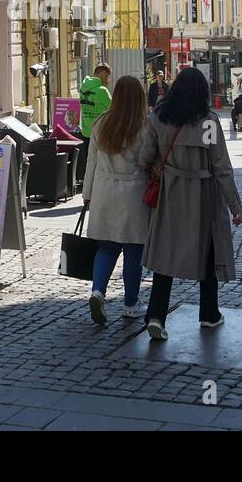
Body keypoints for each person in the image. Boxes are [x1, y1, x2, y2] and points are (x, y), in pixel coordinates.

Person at [138, 66, 242, 341]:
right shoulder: (208, 122)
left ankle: (156, 315)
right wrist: (235, 204)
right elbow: (221, 166)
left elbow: (144, 157)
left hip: (170, 195)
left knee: (165, 254)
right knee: (208, 251)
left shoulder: (160, 118)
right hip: (203, 195)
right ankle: (209, 313)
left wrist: (160, 166)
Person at [83, 76, 153, 325]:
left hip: (104, 191)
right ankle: (131, 303)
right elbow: (148, 161)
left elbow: (91, 160)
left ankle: (98, 291)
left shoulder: (101, 123)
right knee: (134, 250)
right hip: (133, 194)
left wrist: (87, 194)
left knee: (107, 247)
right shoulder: (143, 126)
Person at [77, 63, 113, 190]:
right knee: (101, 164)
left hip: (86, 131)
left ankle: (88, 190)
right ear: (102, 74)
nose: (108, 79)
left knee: (89, 163)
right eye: (107, 76)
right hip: (101, 133)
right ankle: (98, 190)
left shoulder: (83, 88)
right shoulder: (102, 91)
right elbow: (114, 109)